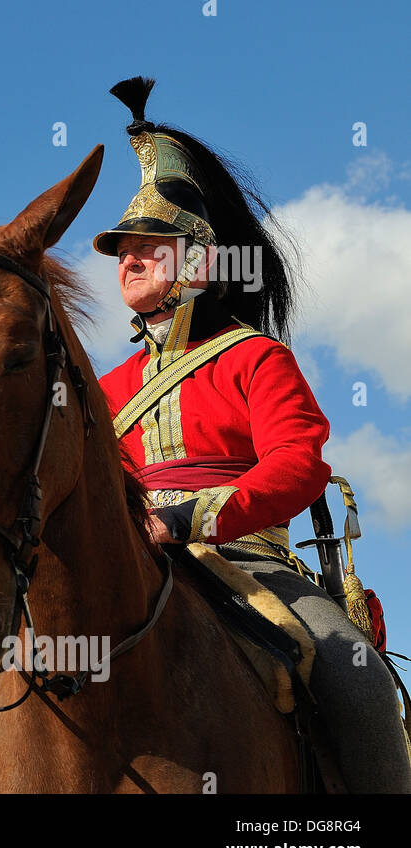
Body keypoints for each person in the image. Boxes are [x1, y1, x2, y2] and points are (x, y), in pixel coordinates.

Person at [90, 76, 409, 793]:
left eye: (149, 244)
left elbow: (299, 465)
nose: (128, 258)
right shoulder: (102, 390)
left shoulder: (254, 356)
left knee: (352, 678)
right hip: (129, 563)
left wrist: (191, 514)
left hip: (246, 558)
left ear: (197, 261)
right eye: (121, 249)